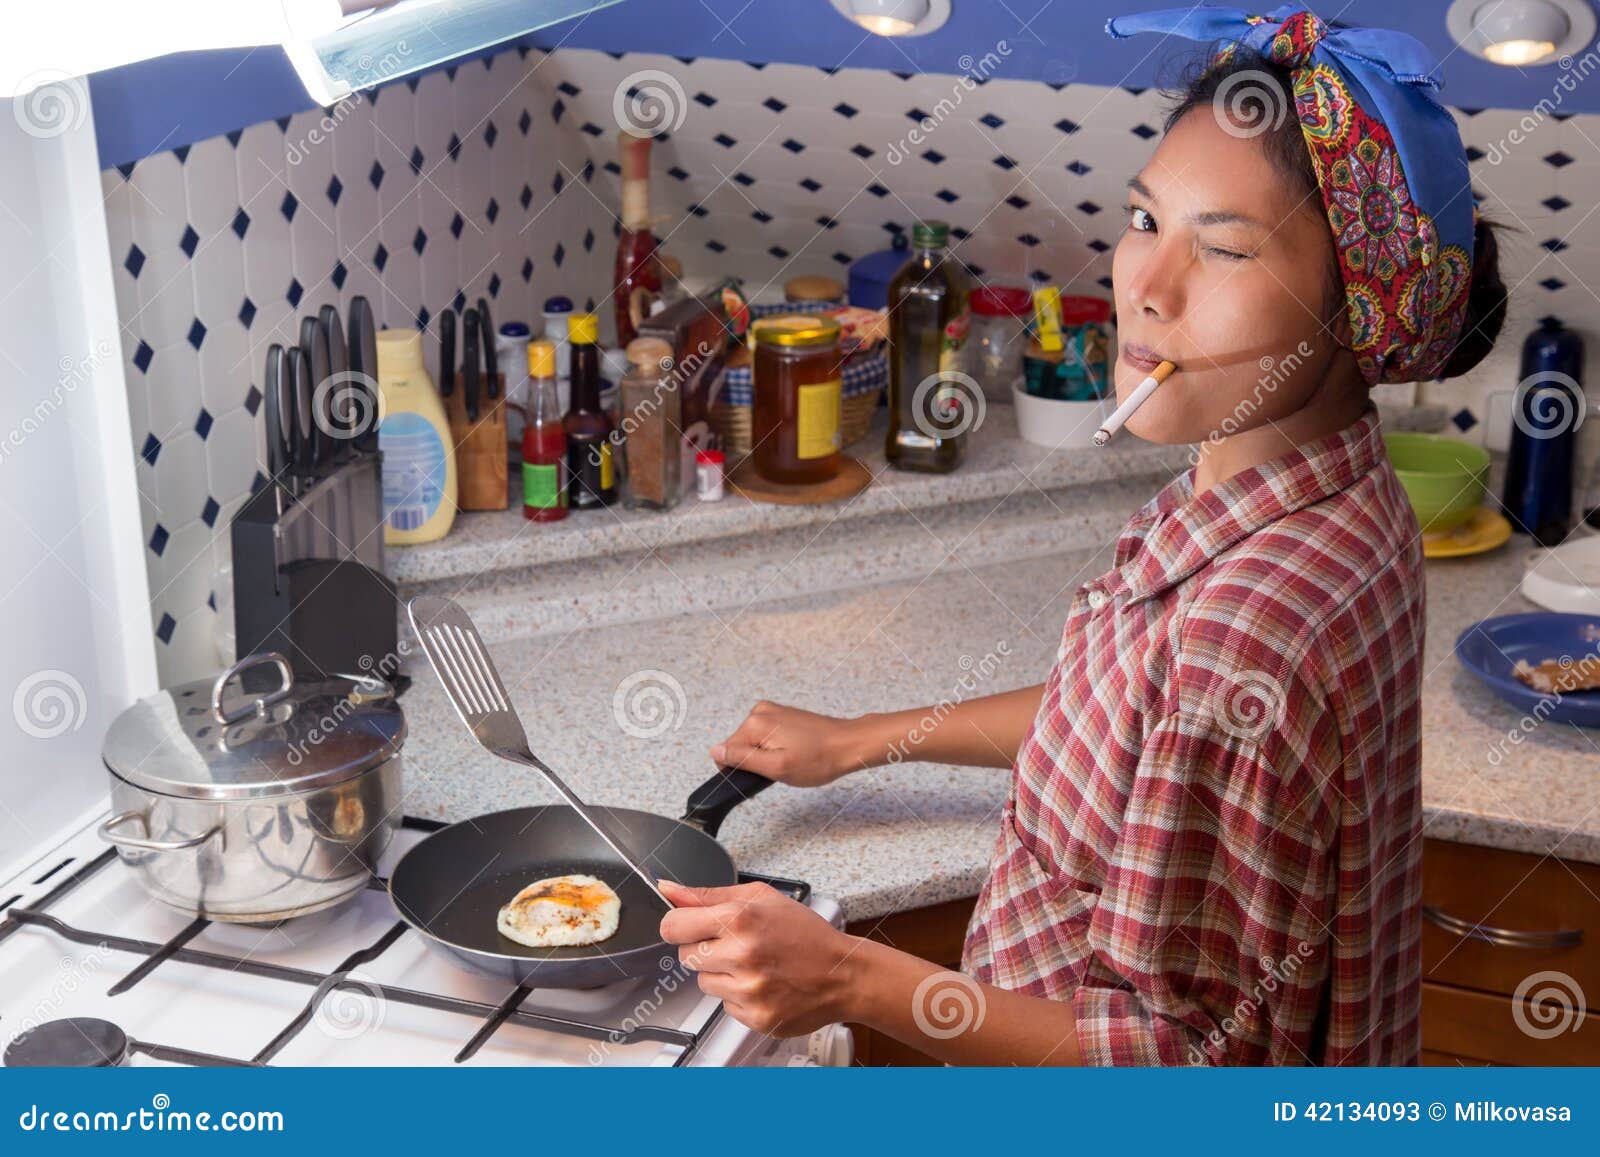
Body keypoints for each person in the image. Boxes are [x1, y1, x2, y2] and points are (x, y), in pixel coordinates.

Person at [659, 4, 1508, 1065]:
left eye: (1227, 251)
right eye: (1147, 220)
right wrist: (866, 737)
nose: (1145, 288)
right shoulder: (1314, 482)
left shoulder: (1244, 631)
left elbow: (1176, 1068)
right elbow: (1123, 723)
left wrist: (847, 974)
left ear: (1356, 312)